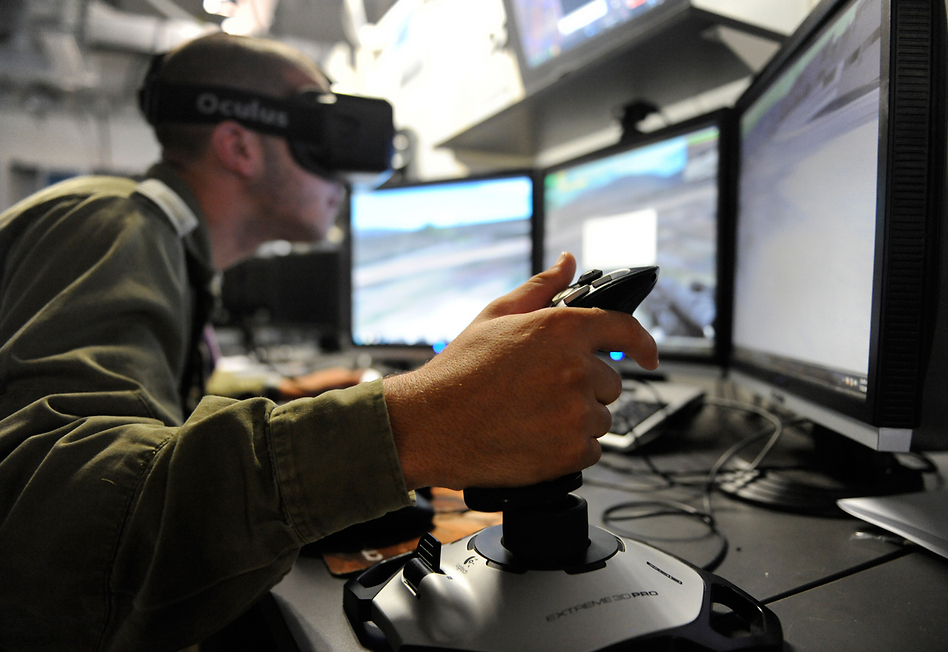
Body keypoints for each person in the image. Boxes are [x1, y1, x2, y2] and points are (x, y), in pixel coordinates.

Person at [0, 33, 658, 652]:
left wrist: (280, 394)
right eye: (325, 141)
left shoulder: (161, 244)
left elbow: (141, 396)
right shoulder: (113, 223)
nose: (345, 183)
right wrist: (413, 423)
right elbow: (55, 524)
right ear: (240, 147)